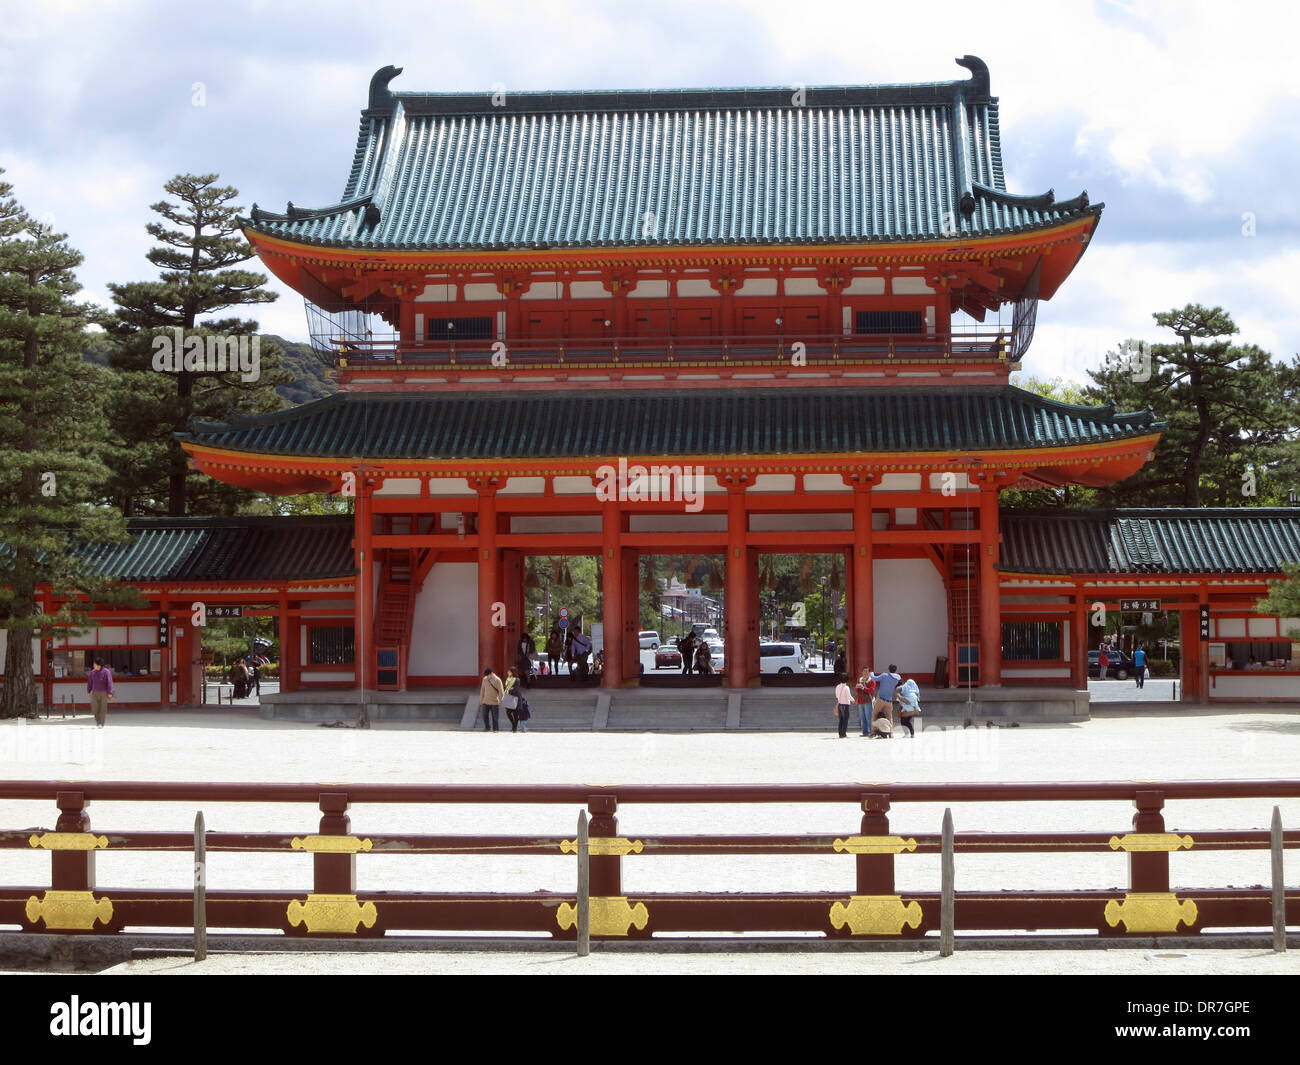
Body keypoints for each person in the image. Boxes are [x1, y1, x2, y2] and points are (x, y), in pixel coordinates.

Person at [86, 657, 114, 727]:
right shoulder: (92, 672)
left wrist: (110, 692)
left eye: (94, 664)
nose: (93, 665)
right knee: (94, 708)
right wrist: (88, 691)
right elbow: (89, 682)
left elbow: (109, 682)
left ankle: (101, 723)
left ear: (99, 665)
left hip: (104, 693)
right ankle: (98, 721)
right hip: (94, 692)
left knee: (103, 708)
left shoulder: (106, 672)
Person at [479, 667, 505, 732]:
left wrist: (501, 699)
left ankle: (496, 729)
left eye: (488, 675)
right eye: (486, 676)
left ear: (491, 673)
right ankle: (487, 728)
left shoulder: (497, 680)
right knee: (485, 716)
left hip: (495, 701)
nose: (487, 677)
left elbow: (501, 691)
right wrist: (481, 699)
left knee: (495, 717)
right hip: (485, 701)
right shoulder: (484, 679)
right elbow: (482, 690)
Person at [854, 668, 877, 737]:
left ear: (869, 673)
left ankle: (870, 731)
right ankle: (865, 732)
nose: (865, 673)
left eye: (867, 671)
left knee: (869, 717)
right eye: (864, 671)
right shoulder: (859, 680)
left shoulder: (872, 681)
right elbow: (857, 691)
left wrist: (863, 687)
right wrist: (857, 687)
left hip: (868, 701)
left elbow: (871, 690)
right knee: (862, 717)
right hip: (860, 701)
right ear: (862, 672)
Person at [502, 667, 523, 732]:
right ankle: (514, 725)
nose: (508, 672)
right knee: (508, 712)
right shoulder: (508, 679)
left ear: (512, 672)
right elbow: (505, 687)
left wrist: (509, 689)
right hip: (509, 697)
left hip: (516, 698)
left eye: (509, 671)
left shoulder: (517, 679)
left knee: (515, 714)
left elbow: (515, 689)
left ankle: (514, 728)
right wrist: (509, 689)